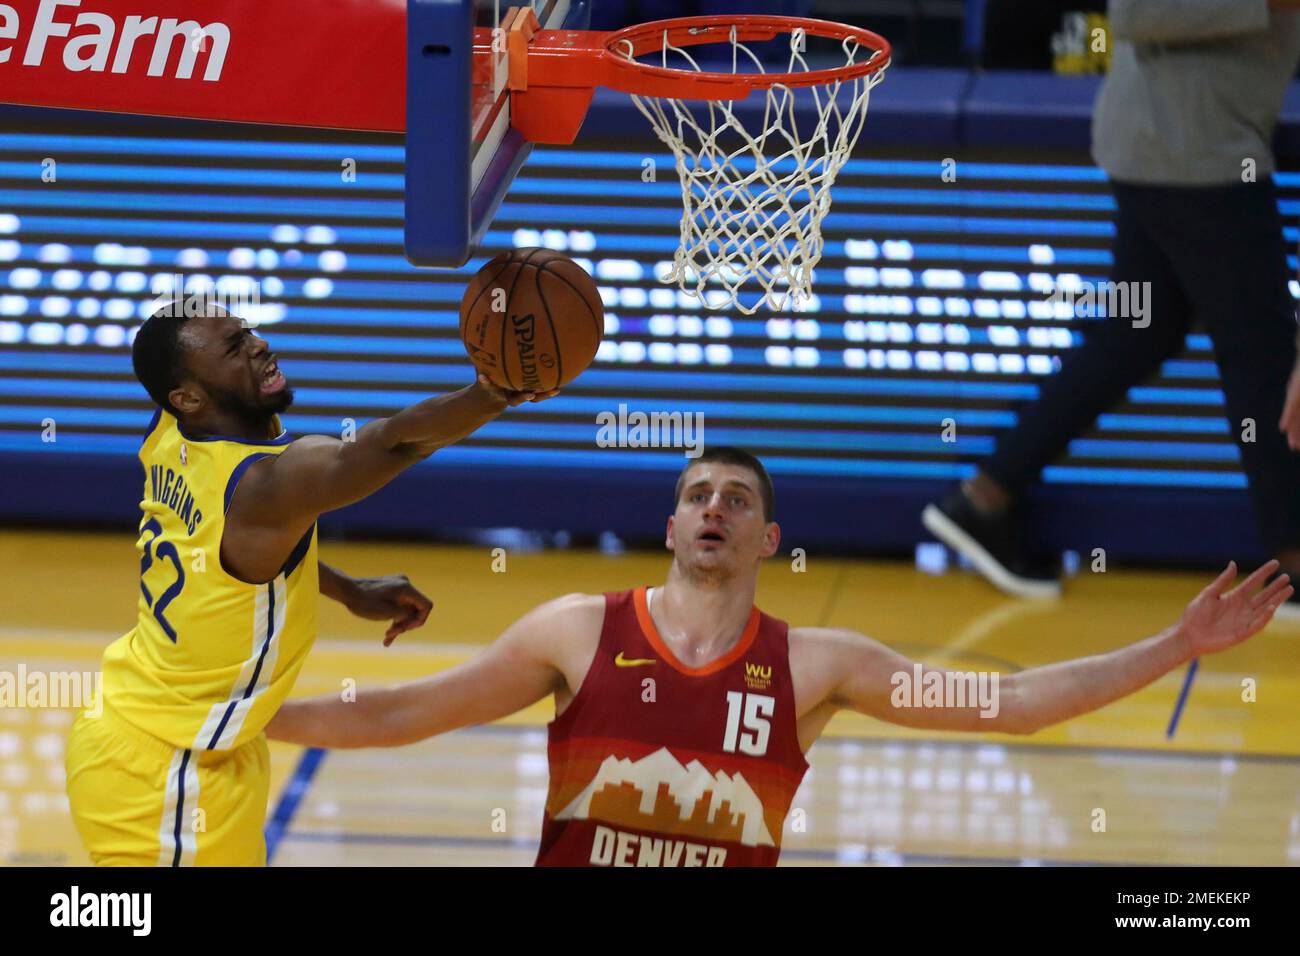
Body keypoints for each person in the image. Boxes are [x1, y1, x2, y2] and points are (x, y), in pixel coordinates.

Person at [268, 447, 1291, 867]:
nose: (716, 506)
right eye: (699, 495)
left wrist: (1176, 643)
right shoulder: (575, 628)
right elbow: (397, 712)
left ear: (767, 539)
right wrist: (239, 716)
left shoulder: (817, 664)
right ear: (669, 527)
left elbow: (1010, 700)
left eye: (739, 499)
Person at [64, 300, 551, 866]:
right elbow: (393, 443)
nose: (259, 346)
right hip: (167, 770)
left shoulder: (172, 430)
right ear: (190, 398)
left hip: (179, 736)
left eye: (247, 332)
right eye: (233, 347)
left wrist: (347, 589)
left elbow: (231, 554)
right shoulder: (267, 483)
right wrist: (492, 393)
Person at [923, 0, 1300, 605]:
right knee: (1263, 357)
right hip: (1193, 154)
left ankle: (982, 500)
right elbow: (1134, 12)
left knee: (1135, 336)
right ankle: (1292, 565)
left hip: (1176, 140)